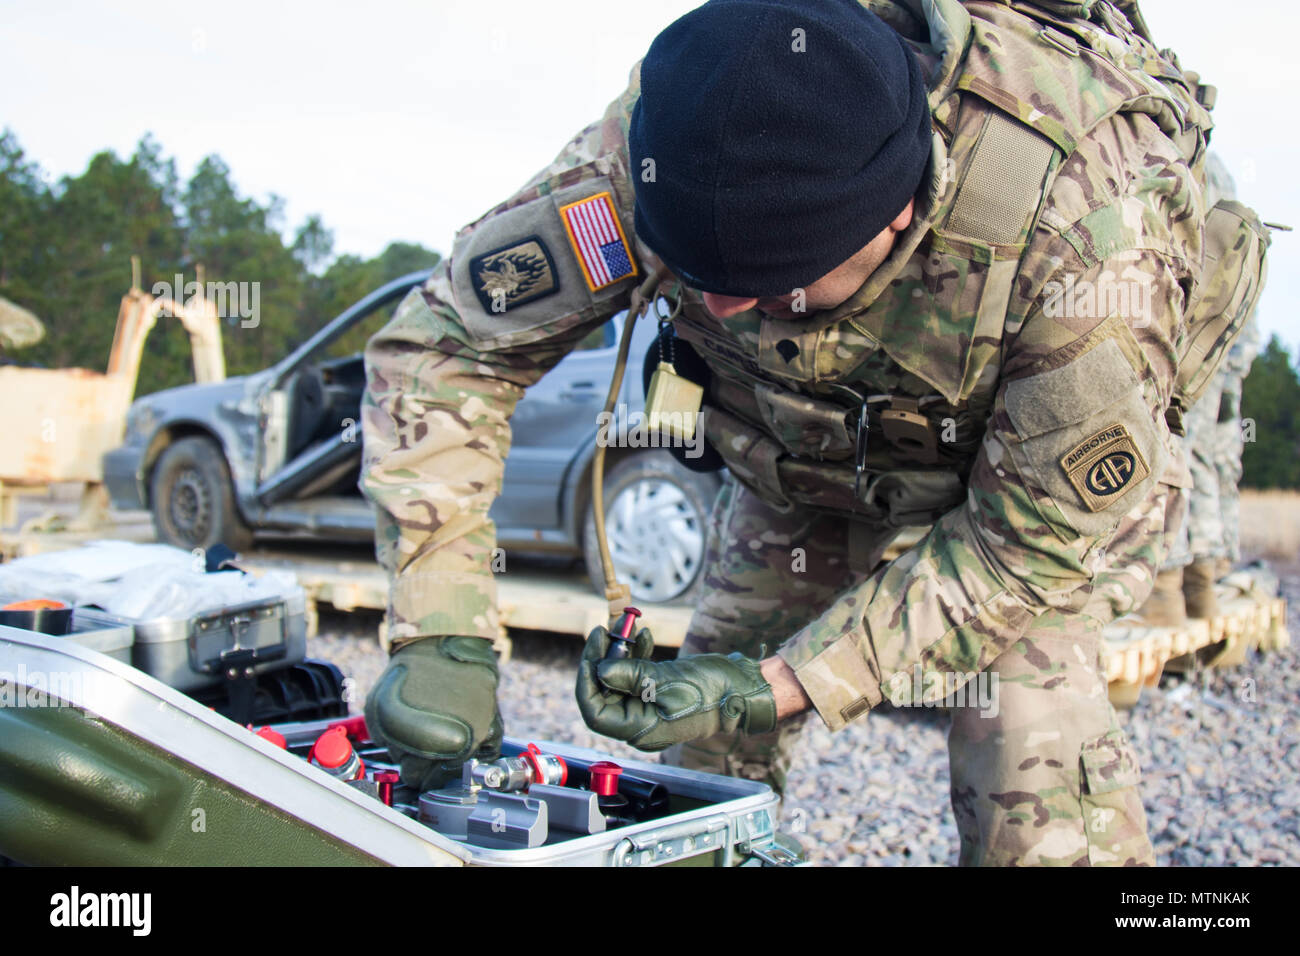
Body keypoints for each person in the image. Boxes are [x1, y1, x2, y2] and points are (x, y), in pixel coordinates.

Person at [360, 0, 1233, 866]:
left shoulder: (1089, 236)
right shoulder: (668, 148)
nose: (724, 307)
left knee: (1033, 773)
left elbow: (1030, 546)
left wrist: (786, 685)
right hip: (805, 460)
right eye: (698, 275)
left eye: (773, 285)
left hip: (1017, 505)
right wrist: (441, 625)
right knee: (699, 753)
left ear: (897, 216)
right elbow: (445, 352)